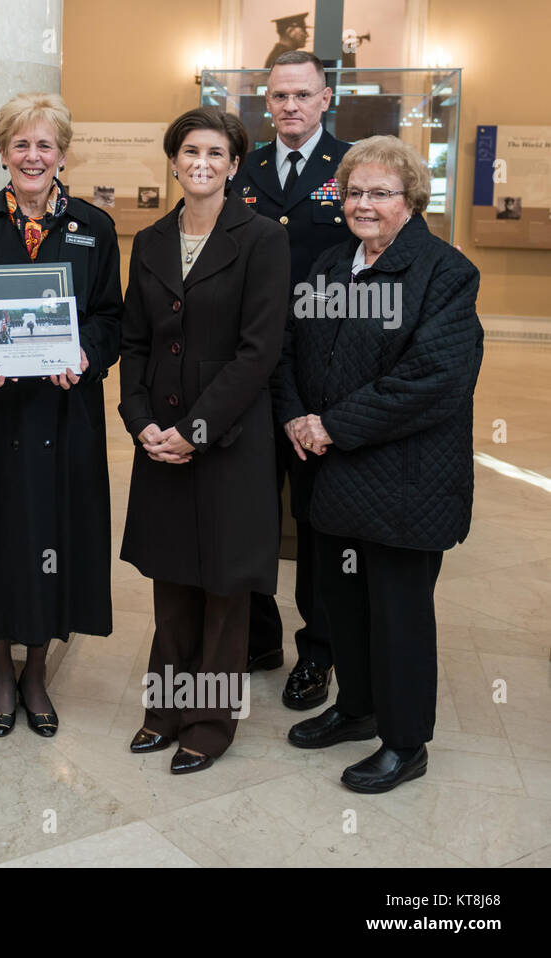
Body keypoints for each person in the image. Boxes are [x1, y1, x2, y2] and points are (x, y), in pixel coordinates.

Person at [280, 135, 483, 793]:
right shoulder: (334, 265)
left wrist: (331, 425)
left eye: (380, 193)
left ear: (412, 199)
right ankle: (357, 707)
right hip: (334, 477)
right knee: (343, 604)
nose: (364, 204)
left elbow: (434, 379)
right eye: (354, 192)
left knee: (398, 614)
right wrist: (295, 416)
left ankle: (404, 742)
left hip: (406, 482)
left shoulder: (445, 273)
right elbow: (289, 351)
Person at [0, 92, 122, 738]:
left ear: (62, 153)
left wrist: (84, 358)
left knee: (52, 537)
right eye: (21, 144)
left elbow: (110, 320)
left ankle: (38, 668)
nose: (33, 156)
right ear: (3, 152)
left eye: (45, 145)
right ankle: (2, 670)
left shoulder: (94, 228)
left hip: (61, 415)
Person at [119, 107, 290, 774]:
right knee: (172, 584)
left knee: (223, 587)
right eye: (191, 150)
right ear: (173, 160)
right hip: (159, 433)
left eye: (216, 152)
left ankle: (209, 723)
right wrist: (141, 423)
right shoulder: (153, 238)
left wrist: (196, 431)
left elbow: (259, 352)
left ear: (235, 164)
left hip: (230, 438)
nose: (202, 161)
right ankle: (163, 710)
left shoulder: (262, 238)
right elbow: (135, 342)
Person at [233, 50, 354, 709]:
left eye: (303, 94)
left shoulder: (353, 168)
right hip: (253, 367)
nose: (290, 106)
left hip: (320, 373)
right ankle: (258, 634)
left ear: (326, 97)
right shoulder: (244, 169)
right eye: (279, 95)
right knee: (251, 507)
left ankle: (319, 653)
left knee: (316, 520)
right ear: (266, 100)